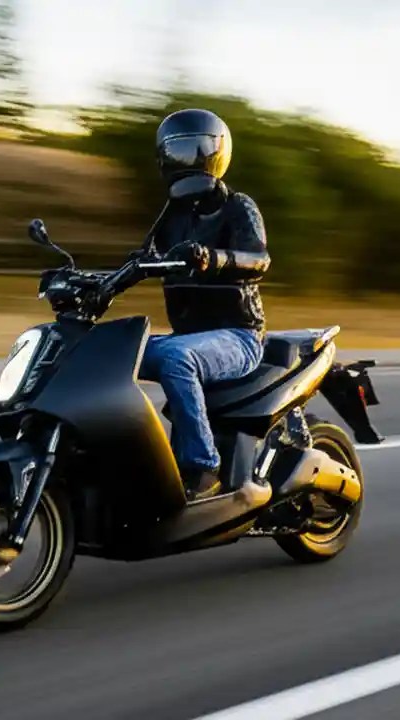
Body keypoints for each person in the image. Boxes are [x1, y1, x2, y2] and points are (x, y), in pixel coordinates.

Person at [138, 109, 270, 501]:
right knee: (107, 354)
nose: (186, 158)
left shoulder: (238, 206)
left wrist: (214, 259)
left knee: (177, 358)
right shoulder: (171, 215)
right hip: (191, 335)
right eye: (176, 150)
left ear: (215, 152)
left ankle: (203, 466)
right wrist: (88, 282)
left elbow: (259, 260)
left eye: (193, 148)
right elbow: (144, 258)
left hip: (238, 335)